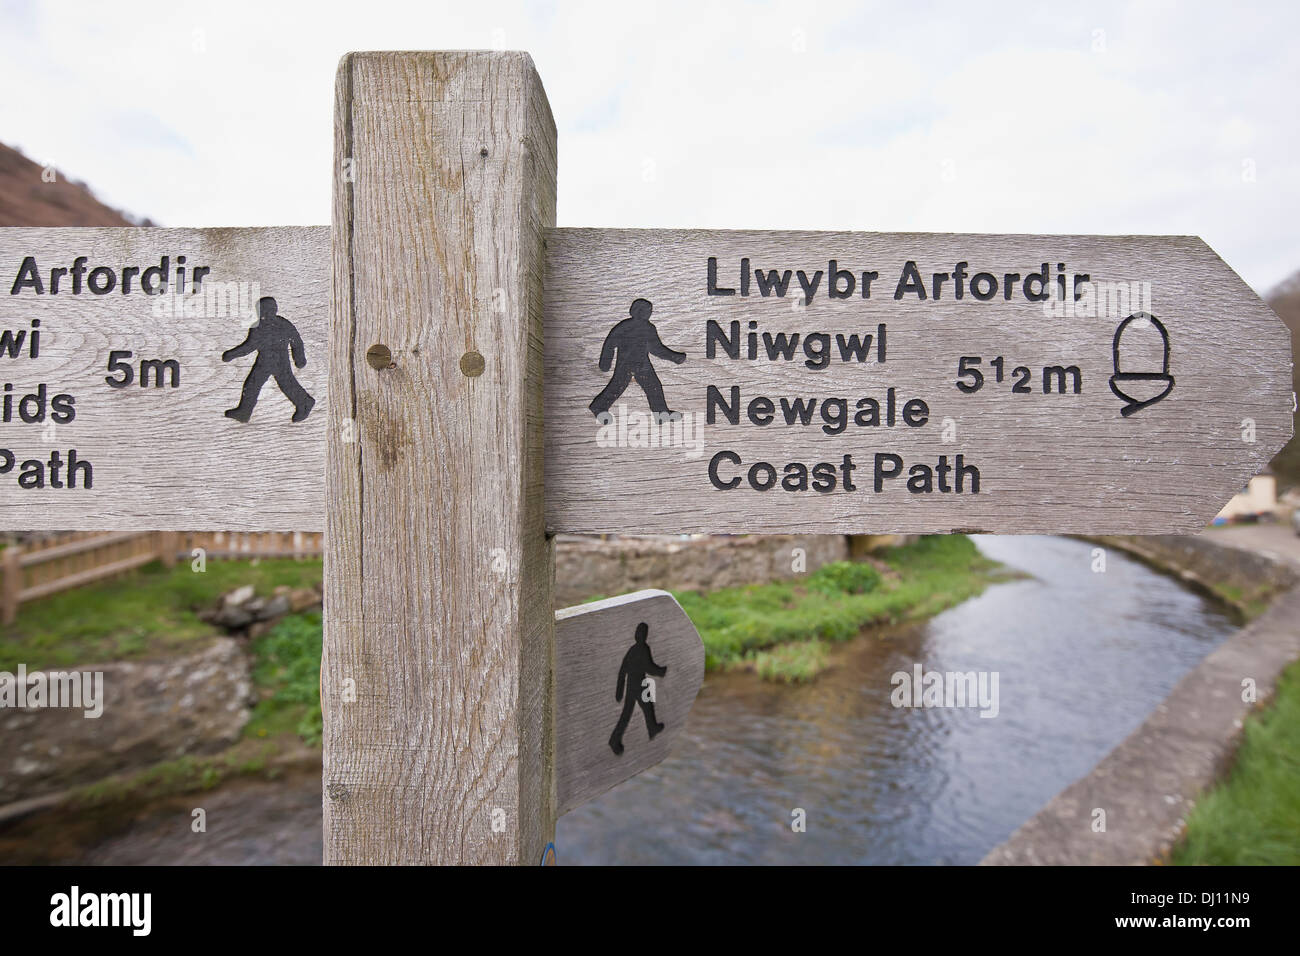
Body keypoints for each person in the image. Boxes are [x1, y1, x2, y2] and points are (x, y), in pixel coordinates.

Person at [222, 296, 315, 423]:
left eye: (269, 310)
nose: (267, 314)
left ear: (275, 310)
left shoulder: (281, 325)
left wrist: (299, 358)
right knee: (252, 385)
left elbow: (296, 341)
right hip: (265, 361)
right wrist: (232, 354)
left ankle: (305, 402)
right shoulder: (259, 327)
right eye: (264, 311)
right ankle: (244, 411)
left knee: (286, 385)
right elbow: (249, 346)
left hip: (279, 361)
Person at [589, 298, 686, 419]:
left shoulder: (628, 326)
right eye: (648, 311)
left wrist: (605, 363)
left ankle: (661, 413)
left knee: (650, 386)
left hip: (637, 364)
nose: (649, 313)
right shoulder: (644, 327)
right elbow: (657, 349)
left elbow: (610, 344)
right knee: (622, 387)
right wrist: (675, 357)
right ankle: (598, 407)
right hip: (632, 364)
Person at [609, 622, 668, 756]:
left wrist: (620, 690)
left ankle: (617, 738)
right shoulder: (642, 649)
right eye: (640, 632)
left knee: (634, 711)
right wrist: (662, 671)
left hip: (632, 684)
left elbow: (623, 671)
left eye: (642, 632)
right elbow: (647, 667)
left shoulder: (634, 649)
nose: (640, 635)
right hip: (638, 684)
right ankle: (616, 739)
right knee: (643, 708)